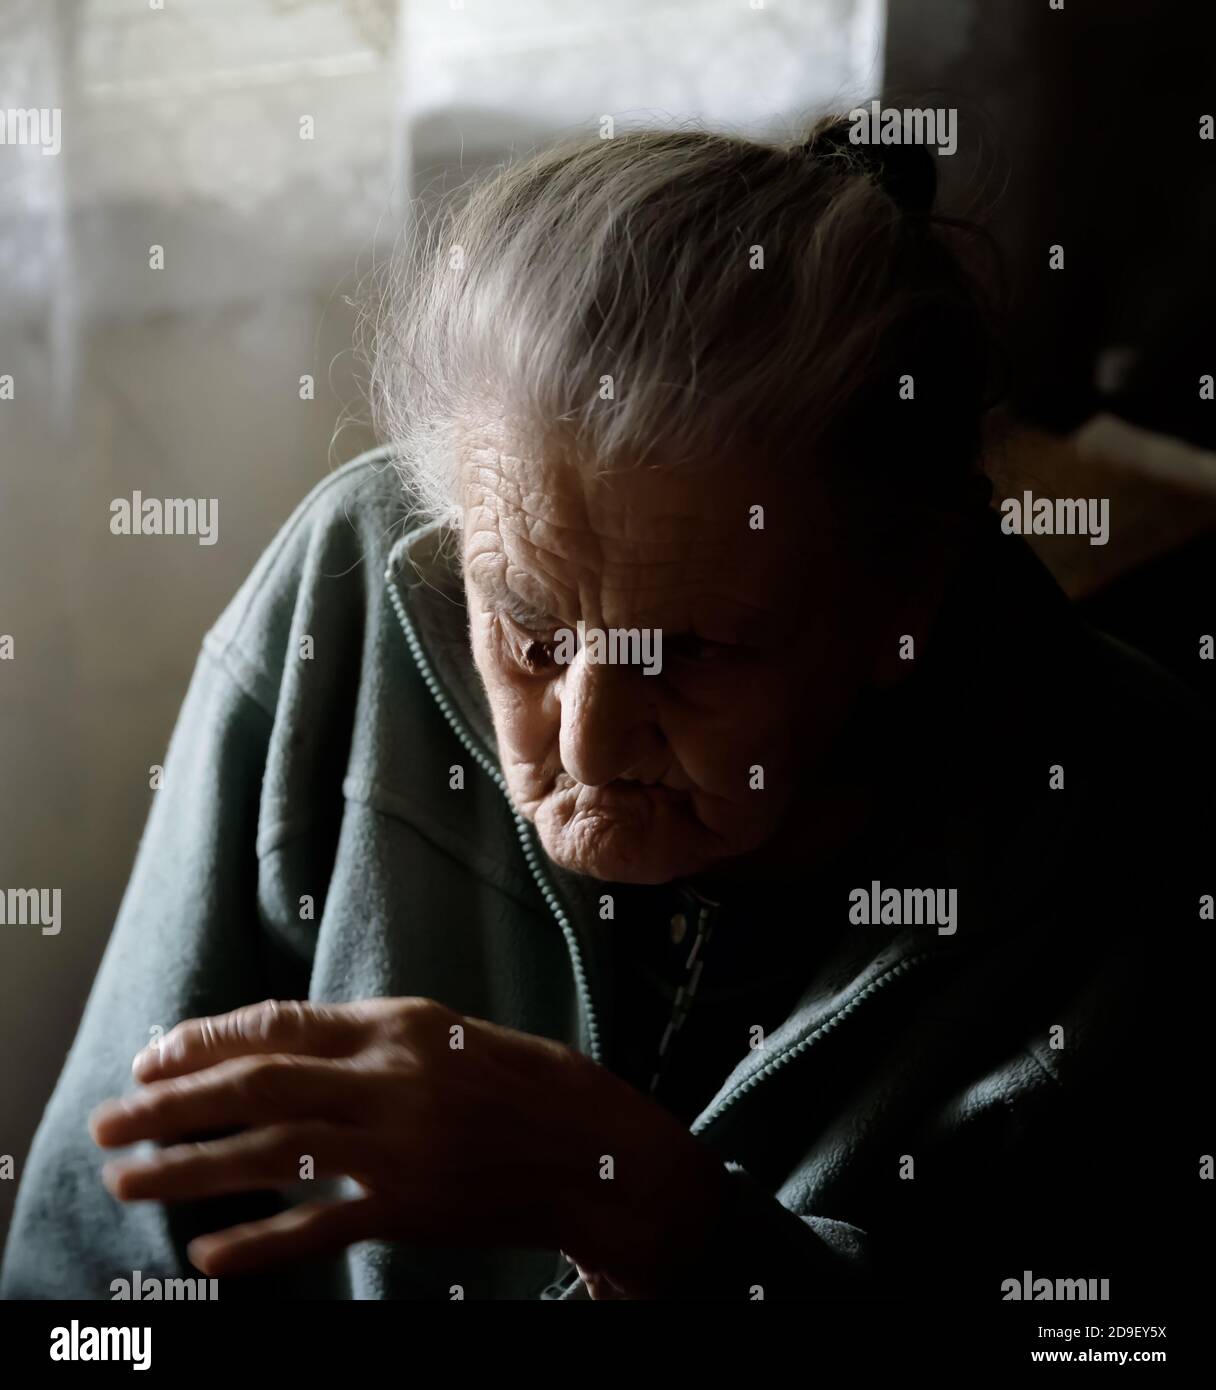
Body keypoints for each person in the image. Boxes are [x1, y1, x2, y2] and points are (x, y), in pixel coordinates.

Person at [3, 118, 1210, 1302]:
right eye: (528, 634)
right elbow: (87, 1260)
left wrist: (638, 1206)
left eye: (687, 654)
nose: (582, 740)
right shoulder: (363, 578)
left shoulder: (1122, 814)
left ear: (901, 601)